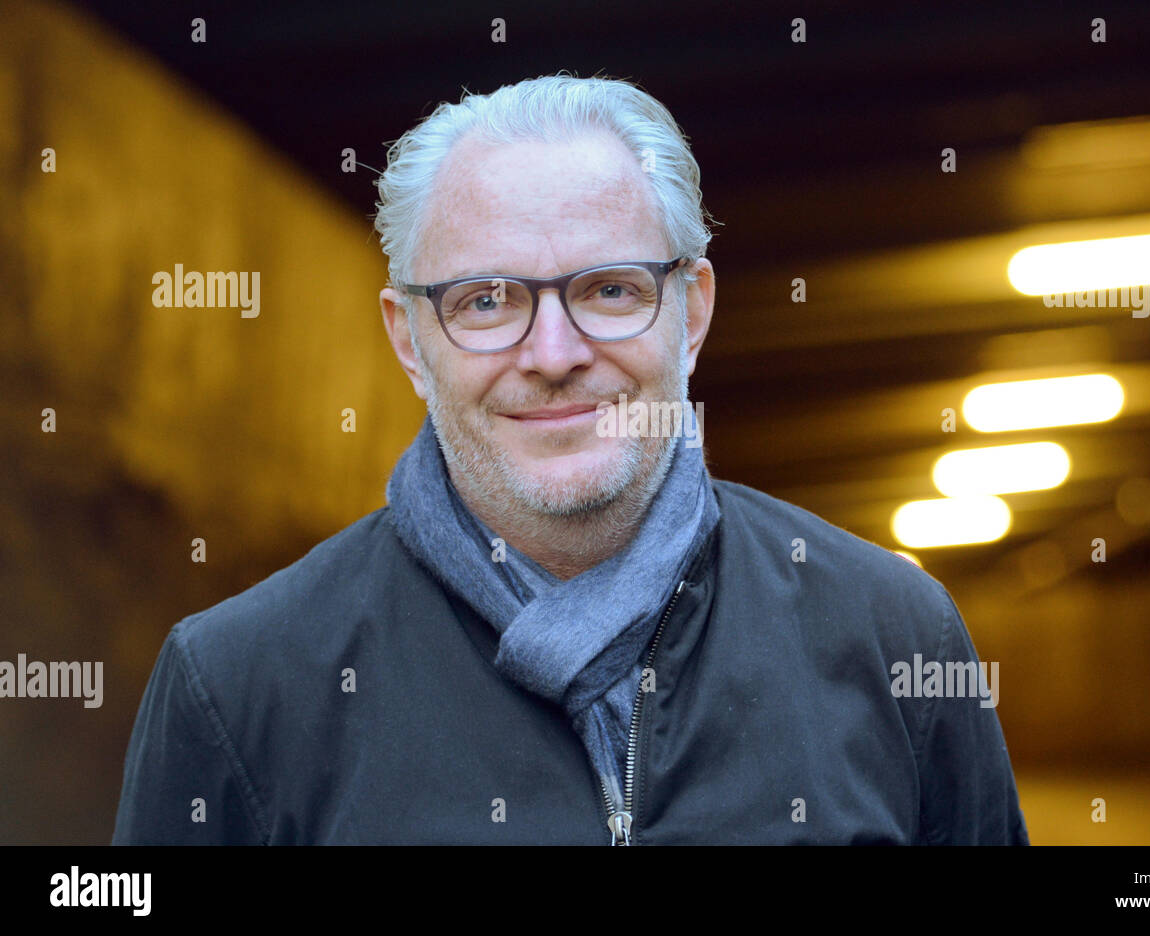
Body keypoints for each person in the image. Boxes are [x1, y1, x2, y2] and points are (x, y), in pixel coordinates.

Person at [112, 73, 1030, 845]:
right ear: (408, 339)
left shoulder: (892, 633)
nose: (553, 354)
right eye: (485, 302)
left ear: (694, 310)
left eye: (610, 288)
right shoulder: (237, 684)